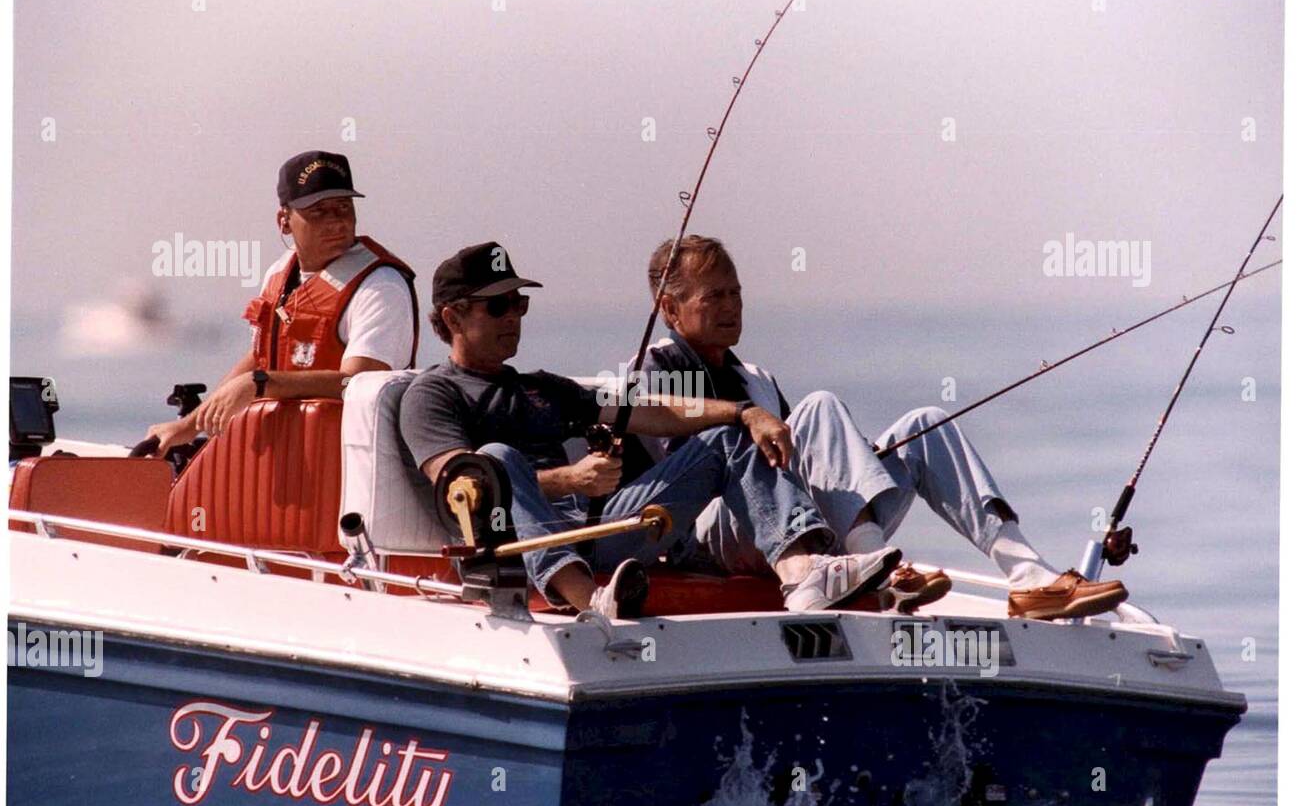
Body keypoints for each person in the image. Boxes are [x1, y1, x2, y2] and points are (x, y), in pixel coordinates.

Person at [398, 241, 907, 618]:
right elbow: (464, 488)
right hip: (519, 544)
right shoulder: (431, 394)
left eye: (520, 304)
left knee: (724, 441)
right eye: (498, 306)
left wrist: (741, 413)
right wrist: (570, 479)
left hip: (602, 529)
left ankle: (802, 575)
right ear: (453, 317)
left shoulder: (545, 387)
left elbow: (653, 412)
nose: (514, 317)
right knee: (497, 457)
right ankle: (588, 601)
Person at [634, 235, 1128, 622]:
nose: (730, 306)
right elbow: (698, 468)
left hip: (795, 528)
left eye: (736, 293)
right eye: (713, 296)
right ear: (671, 309)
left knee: (926, 424)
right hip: (714, 534)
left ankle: (1027, 575)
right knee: (821, 405)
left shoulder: (755, 378)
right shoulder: (652, 374)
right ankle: (877, 566)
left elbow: (796, 460)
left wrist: (855, 459)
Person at [143, 150, 419, 454]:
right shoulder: (279, 274)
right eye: (318, 211)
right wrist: (187, 426)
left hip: (353, 464)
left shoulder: (380, 286)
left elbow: (358, 384)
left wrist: (261, 383)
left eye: (343, 207)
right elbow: (258, 358)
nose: (336, 222)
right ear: (284, 221)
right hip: (285, 462)